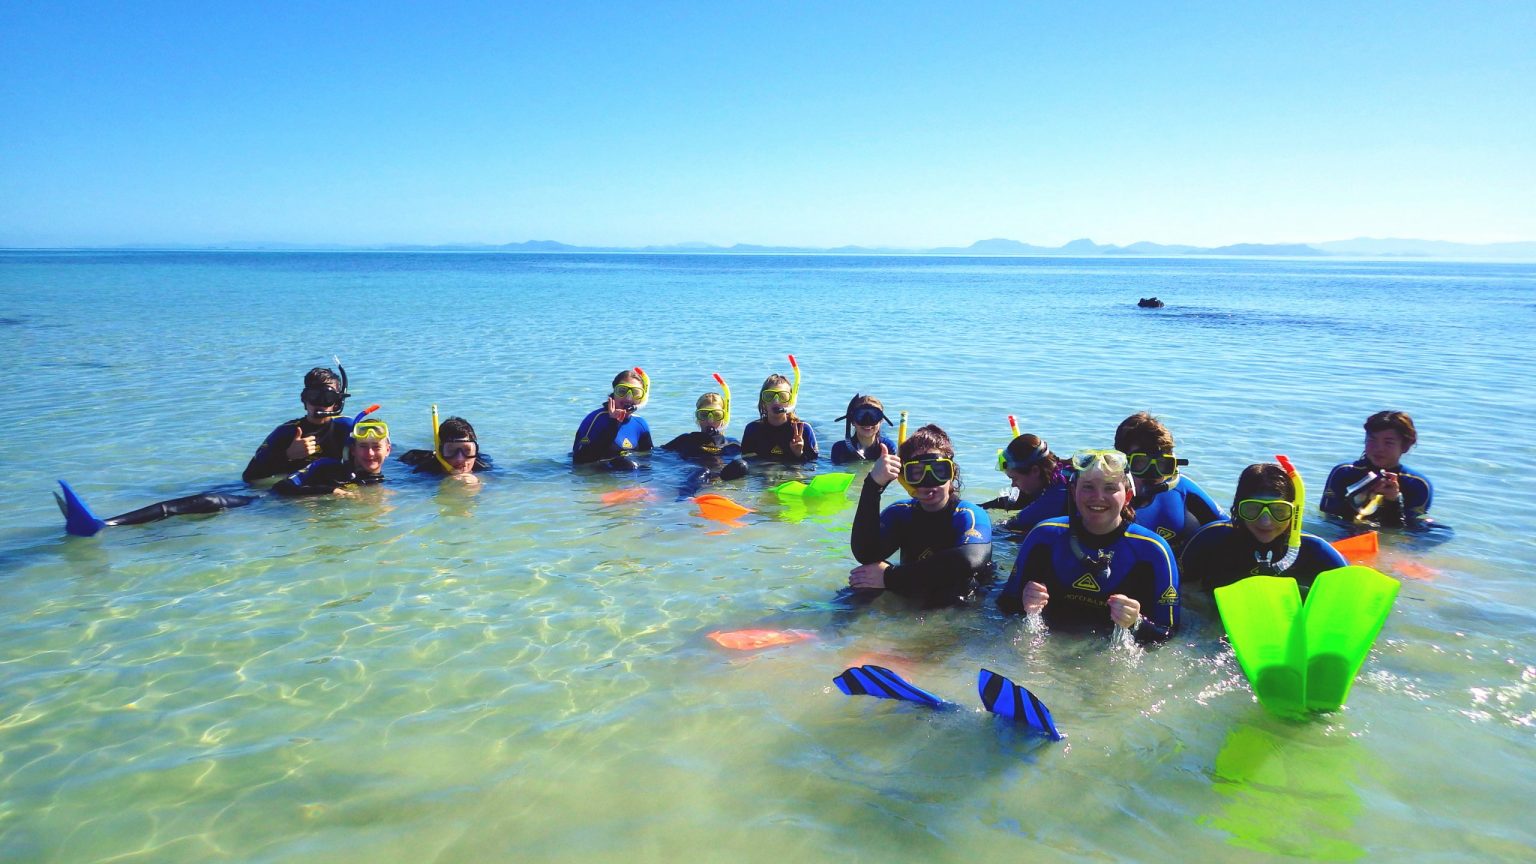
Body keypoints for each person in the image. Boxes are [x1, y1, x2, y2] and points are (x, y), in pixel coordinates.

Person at [997, 450, 1180, 644]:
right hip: (1051, 651)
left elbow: (1168, 633)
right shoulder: (1044, 536)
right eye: (1088, 487)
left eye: (1110, 488)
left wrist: (1137, 622)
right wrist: (1024, 604)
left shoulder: (1152, 551)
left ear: (1127, 496)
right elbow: (1004, 606)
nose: (1098, 497)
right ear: (1073, 492)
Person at [848, 424, 993, 607]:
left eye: (939, 471)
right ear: (905, 478)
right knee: (861, 584)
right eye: (917, 473)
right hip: (912, 592)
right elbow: (866, 554)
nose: (929, 483)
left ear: (952, 474)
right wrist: (872, 486)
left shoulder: (969, 514)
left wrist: (890, 576)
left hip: (961, 606)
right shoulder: (901, 513)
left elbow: (970, 560)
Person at [1181, 463, 1347, 594]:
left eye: (1279, 511)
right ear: (1238, 508)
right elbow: (1181, 592)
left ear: (1294, 511)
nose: (1266, 522)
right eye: (1253, 509)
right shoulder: (1210, 540)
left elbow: (1352, 600)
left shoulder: (1316, 551)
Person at [1114, 412, 1224, 551]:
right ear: (1121, 462)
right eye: (1141, 463)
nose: (1152, 474)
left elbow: (1232, 528)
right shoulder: (1101, 496)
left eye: (1162, 465)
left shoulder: (1182, 489)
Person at [243, 365, 356, 483]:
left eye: (327, 397)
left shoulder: (346, 428)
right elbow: (249, 477)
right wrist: (288, 455)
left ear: (337, 403)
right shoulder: (286, 432)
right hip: (293, 494)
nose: (318, 403)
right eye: (313, 396)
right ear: (304, 399)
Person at [1319, 410, 1433, 527]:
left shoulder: (1418, 485)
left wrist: (1393, 500)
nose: (1379, 448)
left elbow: (1409, 532)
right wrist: (1359, 497)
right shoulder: (1344, 472)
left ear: (1405, 446)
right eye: (1372, 440)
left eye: (1388, 443)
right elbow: (1329, 518)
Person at [273, 417, 392, 496]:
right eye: (363, 446)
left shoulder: (390, 483)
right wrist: (329, 491)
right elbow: (280, 487)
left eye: (376, 447)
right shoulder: (326, 468)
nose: (370, 453)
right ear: (353, 450)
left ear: (388, 450)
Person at [979, 433, 1071, 535]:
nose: (1013, 485)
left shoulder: (1055, 496)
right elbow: (1024, 499)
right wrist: (980, 507)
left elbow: (1007, 527)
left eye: (1015, 479)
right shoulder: (1060, 471)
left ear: (1035, 471)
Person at [572, 369, 654, 470]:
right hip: (599, 478)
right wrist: (613, 424)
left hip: (630, 479)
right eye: (622, 391)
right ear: (614, 392)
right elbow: (579, 461)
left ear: (641, 398)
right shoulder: (596, 420)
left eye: (636, 393)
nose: (628, 398)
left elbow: (648, 459)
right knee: (625, 464)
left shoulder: (640, 425)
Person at [661, 392, 748, 481]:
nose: (710, 420)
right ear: (697, 418)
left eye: (717, 415)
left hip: (720, 479)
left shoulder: (732, 445)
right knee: (703, 471)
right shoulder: (684, 440)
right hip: (691, 480)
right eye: (703, 415)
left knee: (741, 465)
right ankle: (686, 495)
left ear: (723, 417)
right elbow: (657, 456)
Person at [741, 372, 818, 464]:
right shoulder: (752, 430)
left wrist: (799, 454)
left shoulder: (803, 429)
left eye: (783, 396)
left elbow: (814, 466)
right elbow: (746, 463)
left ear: (790, 401)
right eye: (769, 396)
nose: (776, 401)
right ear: (763, 402)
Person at [399, 415, 492, 476]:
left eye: (467, 450)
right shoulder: (423, 471)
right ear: (440, 451)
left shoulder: (484, 467)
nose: (460, 459)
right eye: (451, 451)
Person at [829, 394, 897, 464]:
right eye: (861, 416)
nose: (867, 422)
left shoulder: (888, 447)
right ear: (852, 421)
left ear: (881, 420)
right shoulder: (839, 449)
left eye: (873, 416)